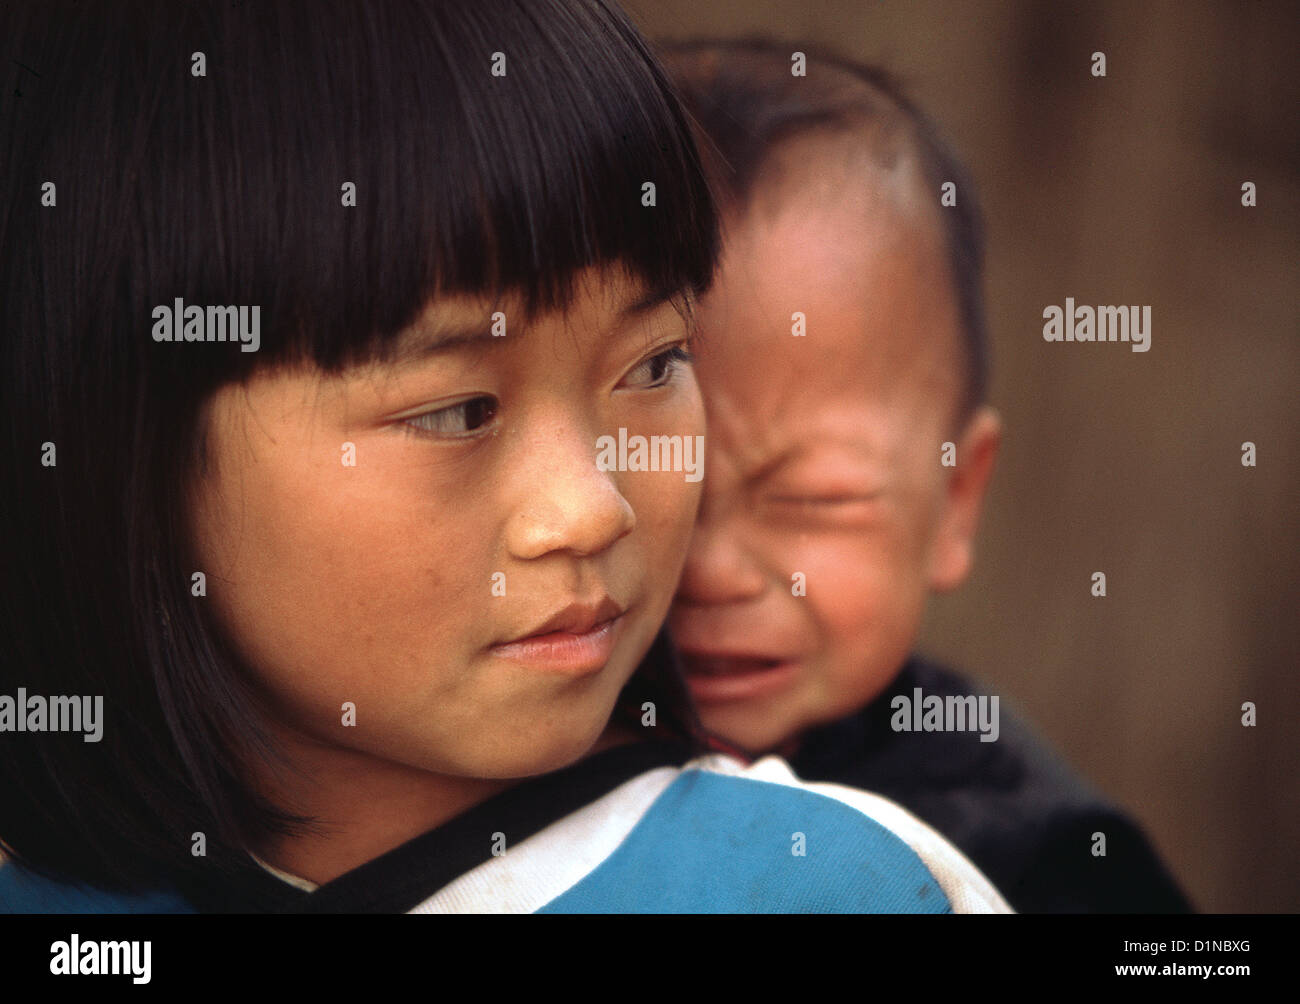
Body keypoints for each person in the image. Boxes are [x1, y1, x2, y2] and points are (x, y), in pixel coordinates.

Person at [0, 2, 1007, 914]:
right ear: (121, 462)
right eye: (456, 411)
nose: (588, 508)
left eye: (655, 361)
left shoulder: (827, 889)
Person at [664, 39, 1190, 912]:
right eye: (659, 490)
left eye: (814, 500)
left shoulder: (1033, 855)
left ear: (955, 499)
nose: (714, 571)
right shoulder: (476, 766)